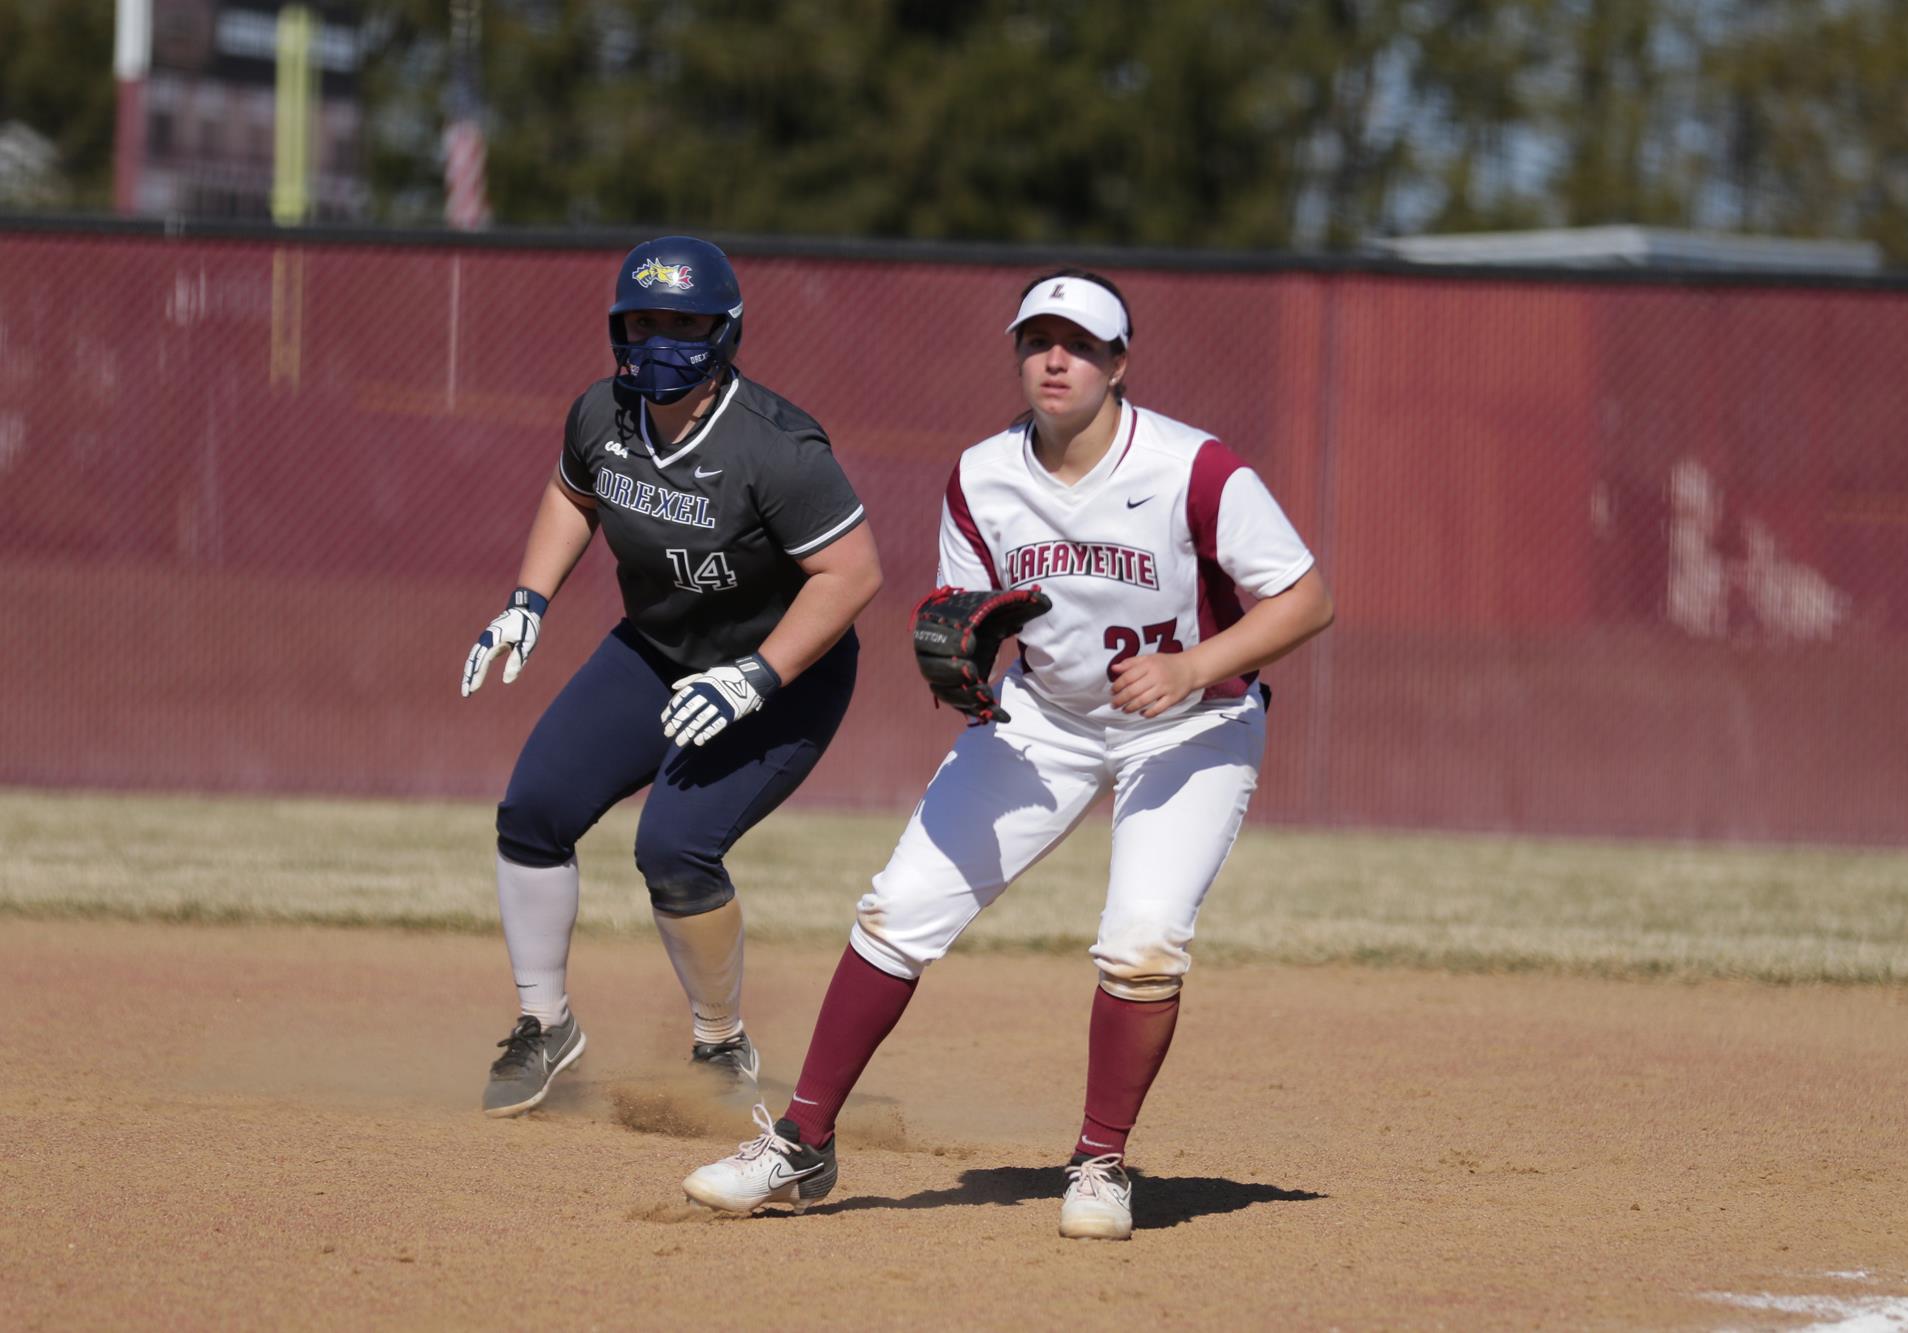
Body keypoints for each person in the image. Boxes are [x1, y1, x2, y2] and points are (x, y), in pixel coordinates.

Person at [681, 268, 1334, 1238]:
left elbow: (1305, 597)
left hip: (1193, 722)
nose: (1054, 358)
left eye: (1078, 342)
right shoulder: (980, 476)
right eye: (1036, 340)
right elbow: (967, 612)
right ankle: (801, 1144)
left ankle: (1099, 1164)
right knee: (897, 908)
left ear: (1119, 362)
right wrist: (964, 654)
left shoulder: (1194, 469)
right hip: (1047, 720)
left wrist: (1192, 664)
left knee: (1143, 934)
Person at [460, 235, 881, 1118]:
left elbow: (852, 574)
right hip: (656, 650)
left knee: (674, 847)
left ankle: (722, 1045)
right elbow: (573, 493)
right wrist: (527, 600)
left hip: (781, 676)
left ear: (724, 332)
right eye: (641, 320)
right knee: (533, 810)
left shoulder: (776, 445)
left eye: (682, 323)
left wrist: (756, 677)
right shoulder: (602, 414)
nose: (658, 341)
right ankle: (546, 1026)